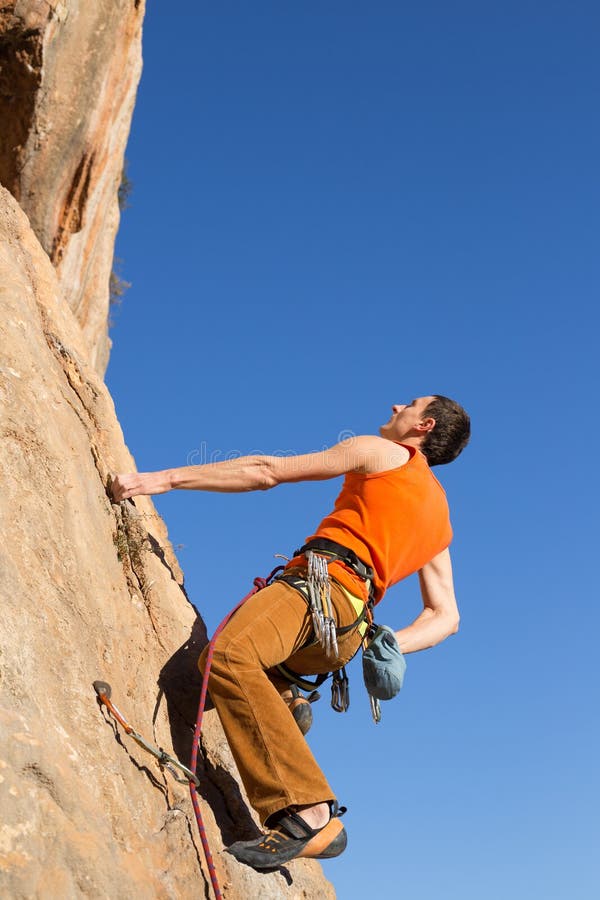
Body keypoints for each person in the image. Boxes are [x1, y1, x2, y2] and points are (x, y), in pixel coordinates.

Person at [111, 394, 470, 870]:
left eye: (411, 403)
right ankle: (284, 697)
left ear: (423, 426)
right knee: (217, 666)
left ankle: (309, 811)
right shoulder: (439, 517)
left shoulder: (386, 453)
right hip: (342, 634)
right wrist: (388, 643)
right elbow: (446, 616)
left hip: (316, 591)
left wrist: (164, 479)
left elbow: (267, 470)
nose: (395, 403)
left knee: (227, 656)